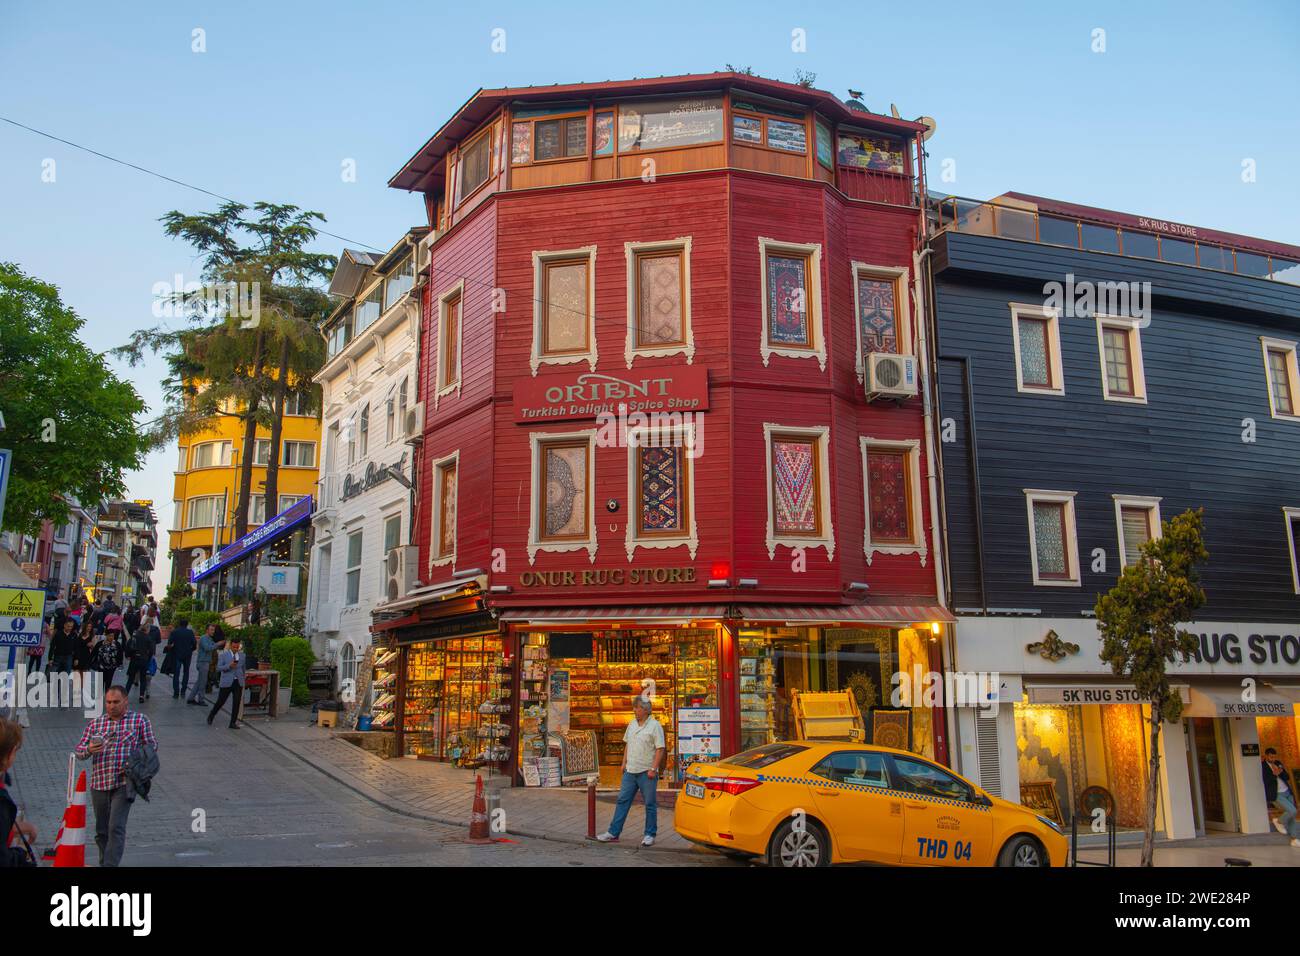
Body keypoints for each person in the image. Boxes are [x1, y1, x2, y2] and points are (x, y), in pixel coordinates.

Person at [73, 685, 158, 867]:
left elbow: (152, 746)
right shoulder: (96, 724)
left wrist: (138, 761)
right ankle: (105, 862)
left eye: (116, 702)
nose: (111, 706)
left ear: (125, 701)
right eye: (108, 702)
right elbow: (79, 751)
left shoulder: (139, 721)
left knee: (115, 827)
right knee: (102, 831)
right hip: (100, 783)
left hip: (124, 783)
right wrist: (89, 749)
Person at [596, 695, 666, 847]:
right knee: (622, 800)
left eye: (638, 708)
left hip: (647, 771)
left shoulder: (655, 726)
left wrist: (654, 769)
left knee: (649, 803)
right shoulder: (632, 724)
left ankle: (649, 834)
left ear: (646, 710)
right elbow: (628, 744)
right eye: (634, 707)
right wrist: (623, 763)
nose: (634, 710)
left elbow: (660, 749)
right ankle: (613, 832)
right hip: (630, 770)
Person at [0, 717, 38, 866]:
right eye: (15, 751)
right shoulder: (2, 802)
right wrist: (20, 856)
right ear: (8, 755)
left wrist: (19, 827)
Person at [1262, 748, 1300, 848]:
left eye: (1274, 756)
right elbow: (1265, 781)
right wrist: (1274, 774)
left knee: (1291, 816)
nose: (1273, 758)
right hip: (1276, 794)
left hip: (1287, 792)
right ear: (1266, 756)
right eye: (1271, 756)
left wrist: (1280, 771)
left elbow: (1286, 777)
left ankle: (1294, 839)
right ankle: (1278, 821)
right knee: (1293, 811)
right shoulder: (1263, 766)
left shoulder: (1278, 763)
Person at [208, 635, 246, 729]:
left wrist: (243, 677)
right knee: (221, 701)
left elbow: (243, 668)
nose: (236, 649)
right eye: (234, 647)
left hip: (238, 682)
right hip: (227, 681)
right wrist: (229, 666)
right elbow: (218, 668)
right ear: (230, 646)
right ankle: (212, 715)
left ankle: (232, 722)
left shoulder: (242, 655)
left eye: (237, 647)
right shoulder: (224, 655)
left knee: (236, 702)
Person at [122, 621, 155, 703]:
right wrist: (148, 658)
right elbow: (151, 651)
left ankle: (125, 695)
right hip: (143, 660)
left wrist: (128, 655)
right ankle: (141, 696)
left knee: (130, 679)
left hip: (134, 659)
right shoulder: (148, 638)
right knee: (143, 678)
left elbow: (128, 645)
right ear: (147, 630)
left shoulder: (134, 636)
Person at [166, 616, 197, 700]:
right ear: (187, 625)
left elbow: (169, 643)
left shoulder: (175, 632)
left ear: (179, 624)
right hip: (187, 655)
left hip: (177, 654)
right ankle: (183, 691)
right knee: (186, 672)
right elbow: (194, 643)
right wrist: (191, 650)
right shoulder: (190, 632)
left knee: (176, 674)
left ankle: (176, 693)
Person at [188, 623, 218, 706]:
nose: (213, 631)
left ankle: (191, 698)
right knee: (202, 682)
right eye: (211, 630)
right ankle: (201, 699)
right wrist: (217, 644)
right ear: (207, 630)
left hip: (205, 662)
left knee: (199, 681)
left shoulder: (209, 638)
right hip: (203, 662)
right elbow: (208, 648)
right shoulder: (204, 638)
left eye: (213, 630)